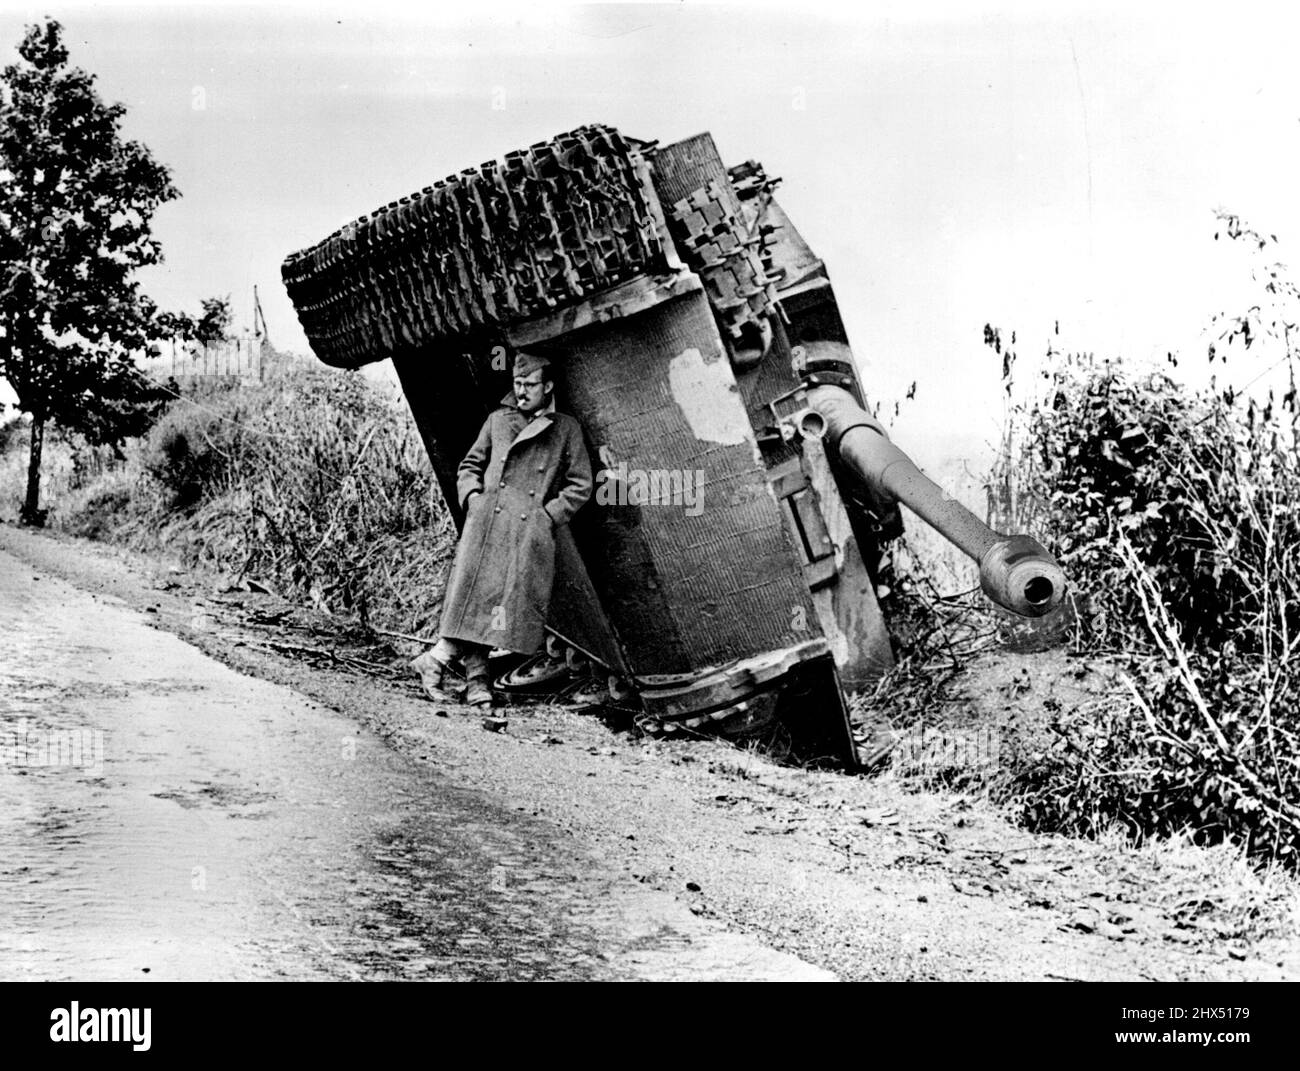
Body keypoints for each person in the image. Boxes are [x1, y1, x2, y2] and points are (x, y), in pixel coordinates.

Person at [412, 351, 593, 707]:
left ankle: (436, 661)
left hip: (526, 532)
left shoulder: (565, 428)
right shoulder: (498, 420)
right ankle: (476, 682)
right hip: (487, 524)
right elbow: (470, 465)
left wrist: (547, 516)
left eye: (530, 385)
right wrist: (474, 499)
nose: (521, 392)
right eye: (517, 383)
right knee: (479, 599)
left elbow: (581, 483)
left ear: (548, 386)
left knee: (498, 605)